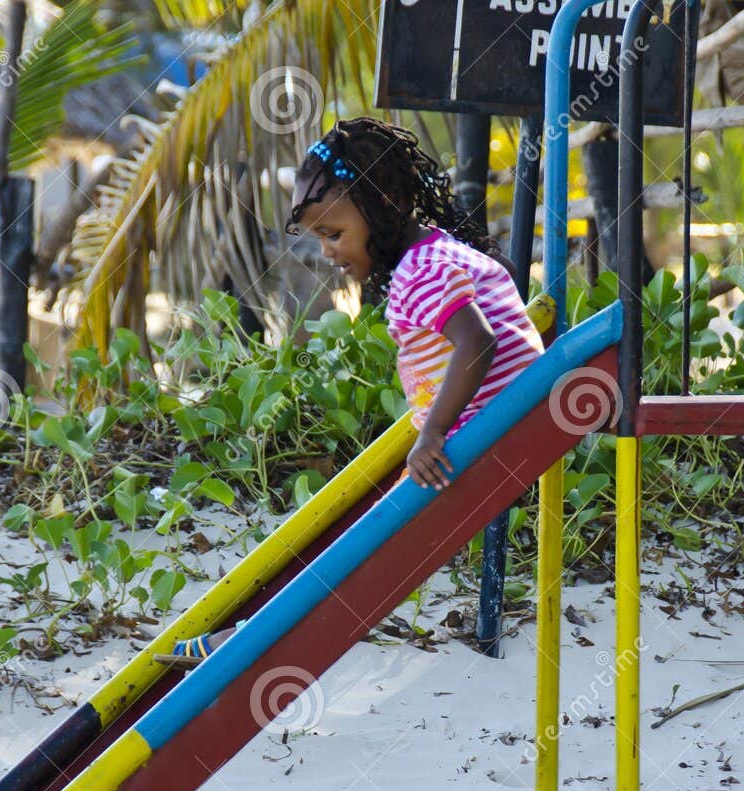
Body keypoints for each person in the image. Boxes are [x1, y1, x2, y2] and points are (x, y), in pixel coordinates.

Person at [168, 117, 546, 664]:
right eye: (320, 236)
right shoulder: (441, 253)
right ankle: (252, 631)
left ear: (384, 204)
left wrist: (433, 432)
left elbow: (478, 343)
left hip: (471, 447)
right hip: (492, 431)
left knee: (352, 563)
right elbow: (501, 299)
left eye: (335, 233)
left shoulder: (422, 271)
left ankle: (249, 644)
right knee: (348, 549)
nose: (328, 252)